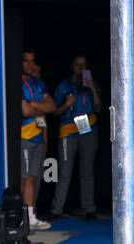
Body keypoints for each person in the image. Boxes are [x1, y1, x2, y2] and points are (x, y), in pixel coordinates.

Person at [49, 55, 102, 222]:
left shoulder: (90, 85)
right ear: (72, 67)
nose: (81, 68)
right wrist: (67, 104)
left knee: (87, 170)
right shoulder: (64, 86)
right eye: (78, 65)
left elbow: (99, 108)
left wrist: (92, 88)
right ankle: (56, 210)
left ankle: (89, 208)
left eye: (84, 65)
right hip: (68, 129)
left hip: (87, 128)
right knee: (65, 172)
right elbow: (55, 112)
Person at [18, 49, 54, 230]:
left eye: (32, 61)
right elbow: (24, 111)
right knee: (24, 179)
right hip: (24, 136)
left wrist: (35, 106)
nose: (30, 65)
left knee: (32, 178)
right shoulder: (19, 83)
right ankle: (21, 216)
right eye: (26, 61)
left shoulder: (38, 84)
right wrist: (40, 108)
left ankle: (31, 216)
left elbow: (52, 106)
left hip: (39, 137)